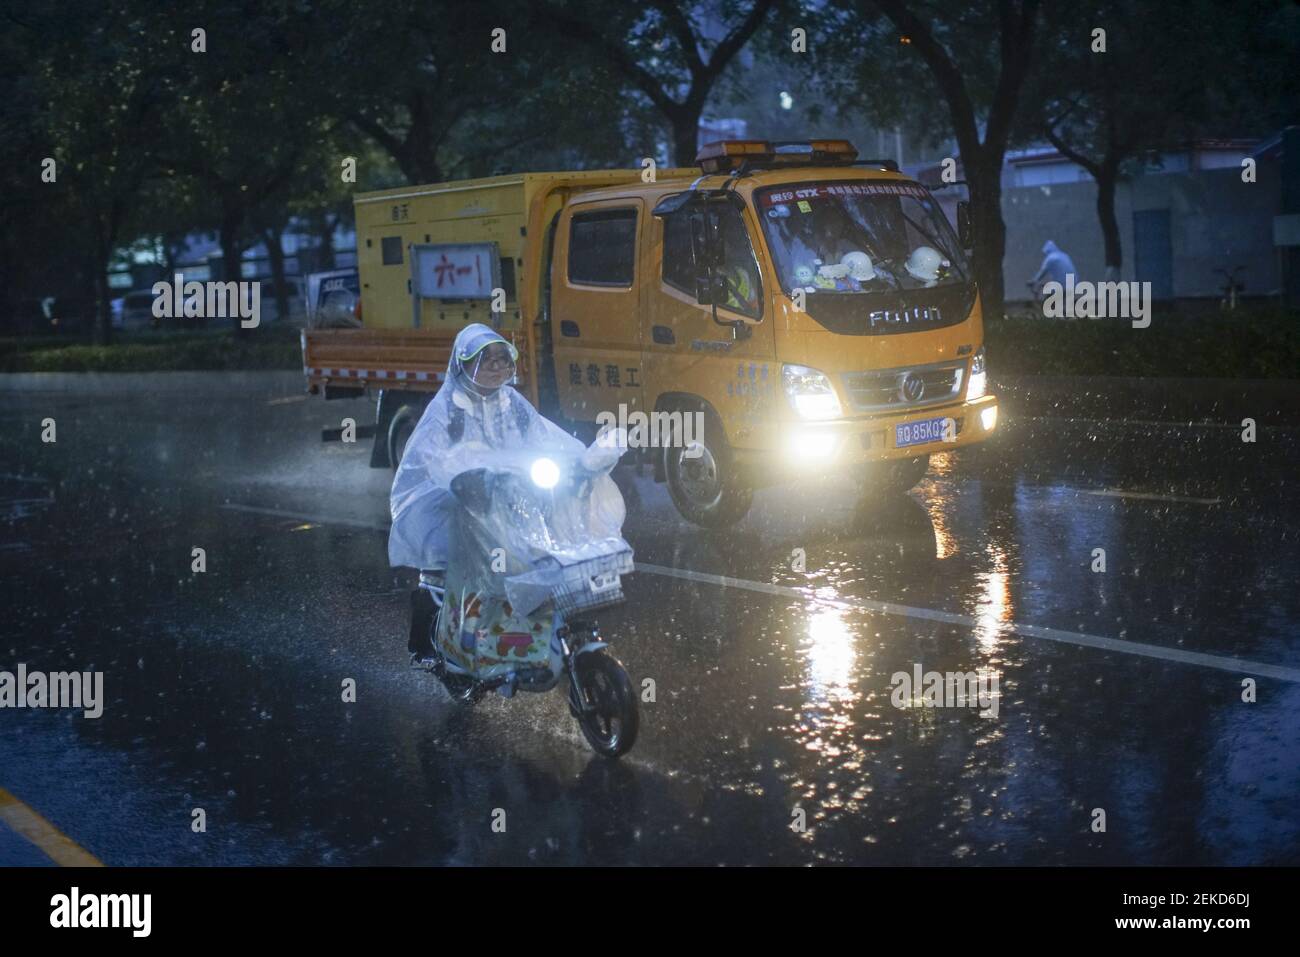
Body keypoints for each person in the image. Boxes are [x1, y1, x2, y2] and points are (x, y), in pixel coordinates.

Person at [389, 323, 587, 662]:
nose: (496, 367)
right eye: (485, 360)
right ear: (462, 365)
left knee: (542, 553)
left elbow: (544, 436)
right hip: (456, 503)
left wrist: (581, 459)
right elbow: (430, 457)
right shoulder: (446, 410)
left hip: (508, 497)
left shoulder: (513, 403)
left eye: (501, 359)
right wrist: (462, 476)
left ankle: (528, 637)